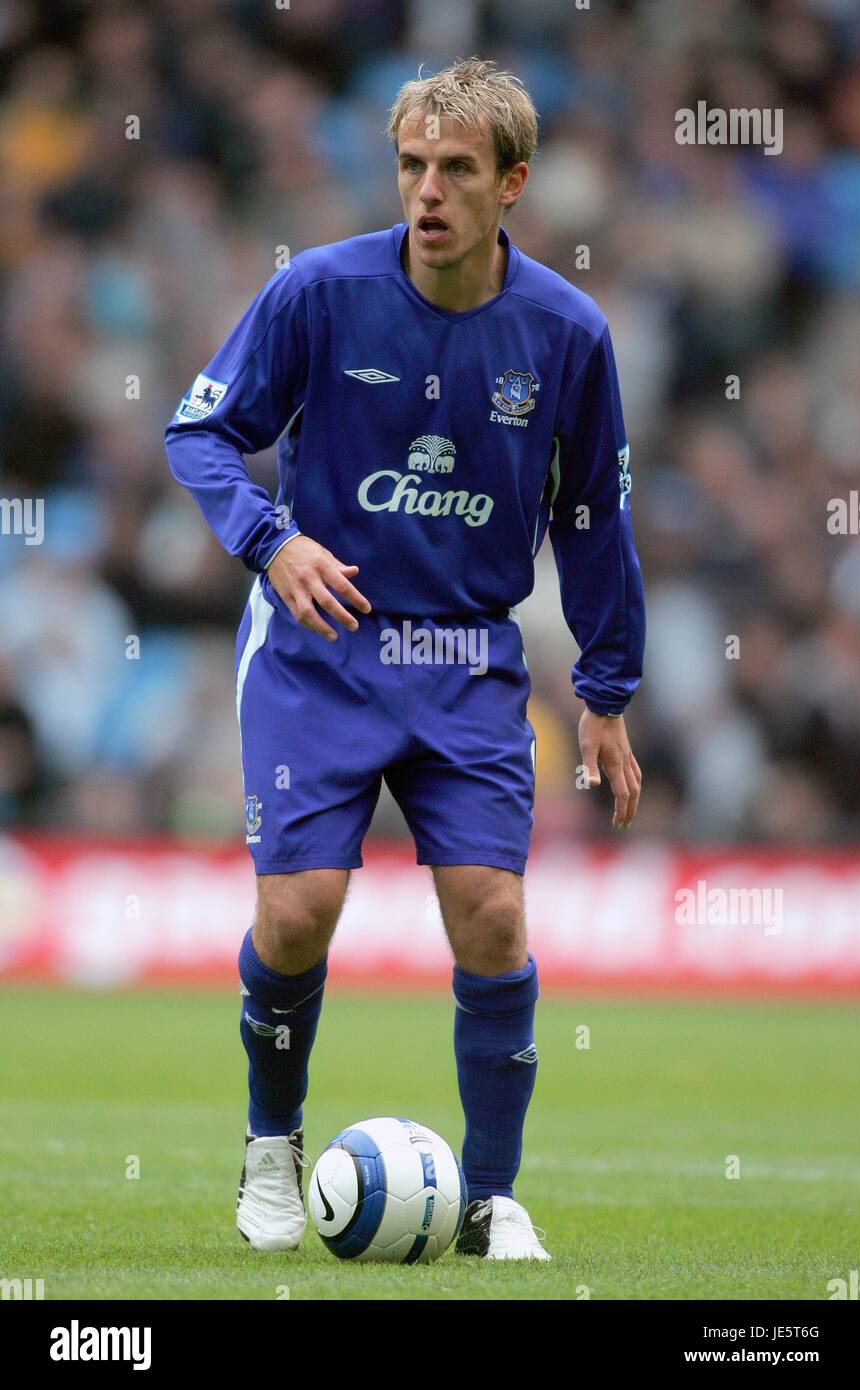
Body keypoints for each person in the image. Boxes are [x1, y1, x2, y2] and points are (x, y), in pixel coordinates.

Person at [165, 58, 645, 1263]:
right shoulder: (316, 293)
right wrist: (270, 544)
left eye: (456, 170)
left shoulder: (566, 333)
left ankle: (490, 1200)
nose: (426, 191)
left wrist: (604, 692)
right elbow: (200, 432)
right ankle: (271, 1147)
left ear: (513, 184)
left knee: (489, 913)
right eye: (411, 167)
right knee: (298, 912)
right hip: (319, 651)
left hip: (467, 660)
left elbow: (592, 518)